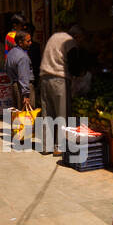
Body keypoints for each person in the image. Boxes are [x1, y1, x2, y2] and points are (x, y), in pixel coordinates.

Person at [39, 25, 84, 154]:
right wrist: (80, 74)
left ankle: (46, 146)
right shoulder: (69, 41)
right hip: (59, 79)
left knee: (47, 113)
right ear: (76, 36)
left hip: (44, 78)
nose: (79, 42)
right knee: (62, 113)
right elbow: (74, 65)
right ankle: (59, 146)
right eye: (80, 39)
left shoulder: (54, 36)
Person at [6, 29, 35, 112]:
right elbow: (23, 76)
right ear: (20, 42)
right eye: (28, 41)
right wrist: (26, 94)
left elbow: (7, 70)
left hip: (15, 86)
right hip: (23, 88)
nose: (30, 43)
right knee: (27, 115)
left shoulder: (11, 53)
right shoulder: (23, 57)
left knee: (18, 113)